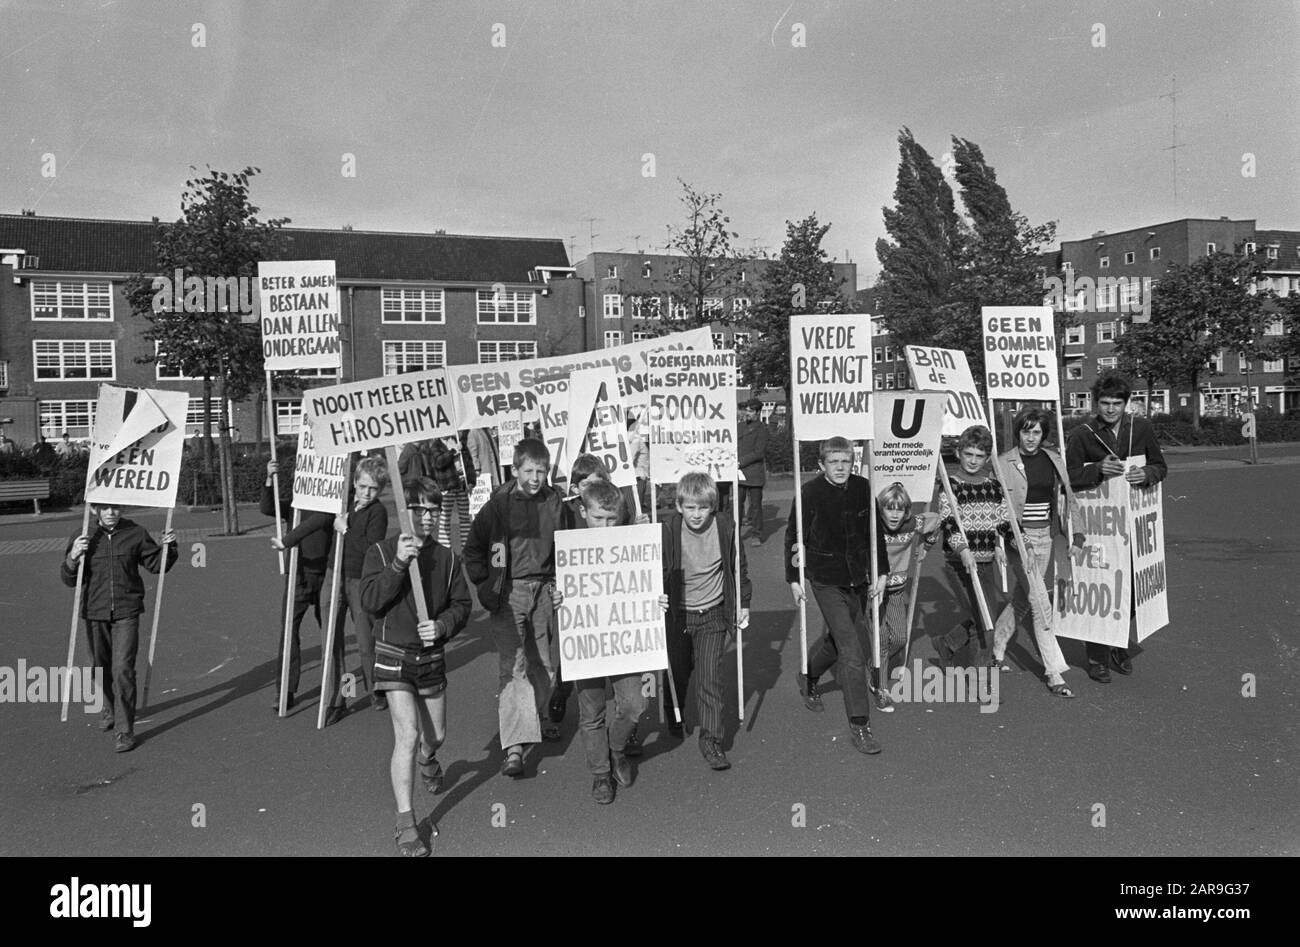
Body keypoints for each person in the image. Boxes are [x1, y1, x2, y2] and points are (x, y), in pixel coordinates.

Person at [360, 477, 472, 857]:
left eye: (433, 509)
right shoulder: (380, 551)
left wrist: (442, 625)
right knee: (406, 733)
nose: (426, 517)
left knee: (434, 735)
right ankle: (406, 823)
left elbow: (463, 605)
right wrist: (397, 564)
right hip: (393, 656)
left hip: (431, 660)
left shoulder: (448, 558)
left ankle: (428, 758)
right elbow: (371, 602)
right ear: (404, 511)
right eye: (418, 509)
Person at [463, 438, 565, 777]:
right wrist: (487, 586)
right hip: (509, 592)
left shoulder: (555, 502)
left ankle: (536, 715)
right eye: (529, 471)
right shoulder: (498, 505)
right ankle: (515, 747)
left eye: (541, 471)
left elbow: (572, 545)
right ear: (515, 469)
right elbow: (473, 549)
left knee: (543, 664)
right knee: (514, 666)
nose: (536, 478)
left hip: (544, 590)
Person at [784, 436, 889, 755]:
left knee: (836, 640)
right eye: (834, 462)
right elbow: (794, 535)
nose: (841, 467)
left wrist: (881, 571)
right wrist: (793, 578)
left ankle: (810, 675)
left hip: (857, 578)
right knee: (853, 651)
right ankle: (860, 724)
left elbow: (876, 532)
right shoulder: (810, 493)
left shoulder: (862, 488)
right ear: (822, 465)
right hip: (825, 579)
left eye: (846, 461)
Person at [1065, 372, 1168, 683]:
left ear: (1127, 403)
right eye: (1104, 403)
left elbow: (1161, 466)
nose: (1110, 410)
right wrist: (1097, 470)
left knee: (1135, 589)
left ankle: (1117, 642)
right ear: (1096, 403)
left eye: (1116, 404)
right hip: (1098, 528)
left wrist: (1146, 473)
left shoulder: (1142, 427)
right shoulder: (1081, 434)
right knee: (1100, 589)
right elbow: (1068, 477)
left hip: (1133, 525)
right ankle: (1096, 656)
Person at [61, 504, 177, 752]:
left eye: (115, 507)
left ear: (122, 508)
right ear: (95, 510)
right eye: (105, 508)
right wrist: (73, 556)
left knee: (123, 668)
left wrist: (169, 547)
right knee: (99, 668)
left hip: (127, 610)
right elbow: (68, 578)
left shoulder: (135, 532)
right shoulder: (82, 535)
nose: (111, 512)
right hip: (94, 611)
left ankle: (124, 730)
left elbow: (157, 565)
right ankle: (109, 708)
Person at [659, 471, 751, 770]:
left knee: (709, 677)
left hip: (712, 612)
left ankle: (711, 739)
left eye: (702, 507)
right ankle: (674, 710)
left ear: (713, 506)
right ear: (678, 506)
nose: (696, 514)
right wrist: (656, 595)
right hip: (678, 614)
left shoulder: (725, 526)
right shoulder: (667, 530)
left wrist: (744, 602)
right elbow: (653, 570)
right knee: (679, 671)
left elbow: (739, 566)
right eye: (690, 507)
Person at [994, 408, 1086, 698]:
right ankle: (1053, 671)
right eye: (1026, 431)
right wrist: (1000, 542)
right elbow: (999, 507)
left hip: (1046, 536)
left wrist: (1078, 533)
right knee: (1041, 604)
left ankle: (996, 649)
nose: (1031, 438)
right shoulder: (1004, 462)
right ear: (1018, 431)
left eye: (1036, 432)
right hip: (1020, 541)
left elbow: (1067, 496)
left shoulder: (1053, 459)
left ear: (1043, 435)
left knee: (1024, 598)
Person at [568, 480, 648, 803]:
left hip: (623, 639)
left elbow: (645, 582)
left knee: (634, 705)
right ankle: (601, 774)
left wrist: (657, 602)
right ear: (583, 511)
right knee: (591, 713)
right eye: (598, 517)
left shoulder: (631, 543)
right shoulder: (569, 549)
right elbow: (555, 583)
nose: (605, 525)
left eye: (612, 518)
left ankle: (616, 750)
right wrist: (557, 595)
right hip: (586, 640)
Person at [263, 460, 345, 722]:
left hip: (325, 574)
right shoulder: (295, 505)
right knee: (289, 633)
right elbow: (268, 508)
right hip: (297, 573)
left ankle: (338, 691)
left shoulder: (331, 505)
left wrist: (287, 541)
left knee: (331, 634)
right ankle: (285, 690)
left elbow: (319, 521)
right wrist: (268, 478)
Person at [934, 425, 1011, 667]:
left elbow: (1001, 520)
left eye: (979, 456)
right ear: (958, 453)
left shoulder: (994, 486)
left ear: (988, 458)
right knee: (985, 621)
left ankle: (948, 643)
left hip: (986, 561)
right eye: (969, 454)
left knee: (984, 615)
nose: (973, 461)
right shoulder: (951, 484)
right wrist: (963, 550)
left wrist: (1000, 545)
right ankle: (981, 677)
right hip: (961, 562)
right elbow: (948, 522)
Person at [870, 483, 939, 710]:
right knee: (880, 638)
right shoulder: (871, 526)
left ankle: (875, 664)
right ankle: (880, 687)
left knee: (899, 637)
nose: (894, 514)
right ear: (881, 510)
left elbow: (936, 520)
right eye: (889, 508)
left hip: (896, 589)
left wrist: (927, 546)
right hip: (872, 592)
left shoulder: (911, 524)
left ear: (906, 511)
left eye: (900, 509)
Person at [333, 456, 391, 712]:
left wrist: (346, 530)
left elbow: (370, 548)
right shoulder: (345, 504)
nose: (366, 493)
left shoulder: (378, 512)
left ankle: (376, 690)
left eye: (373, 489)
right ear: (354, 482)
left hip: (360, 580)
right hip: (337, 575)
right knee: (334, 639)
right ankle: (341, 693)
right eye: (363, 486)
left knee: (365, 640)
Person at [736, 398, 769, 546]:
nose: (746, 413)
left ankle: (756, 534)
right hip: (738, 472)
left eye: (750, 411)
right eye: (746, 410)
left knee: (755, 506)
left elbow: (759, 453)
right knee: (737, 504)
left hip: (754, 472)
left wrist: (740, 462)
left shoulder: (762, 429)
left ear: (757, 412)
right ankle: (734, 534)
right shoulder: (739, 426)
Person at [431, 436, 471, 553]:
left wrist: (471, 480)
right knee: (444, 520)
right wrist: (453, 451)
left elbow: (468, 462)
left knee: (465, 519)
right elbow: (438, 462)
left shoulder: (458, 441)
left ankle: (467, 548)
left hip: (462, 485)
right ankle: (445, 551)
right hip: (446, 486)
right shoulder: (436, 446)